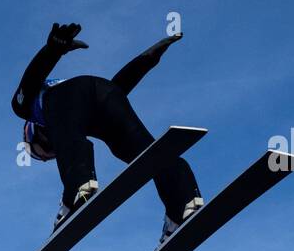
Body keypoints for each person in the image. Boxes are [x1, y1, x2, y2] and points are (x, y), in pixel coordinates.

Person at [12, 22, 204, 239]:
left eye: (42, 150)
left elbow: (28, 82)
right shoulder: (76, 118)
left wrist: (53, 50)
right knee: (148, 154)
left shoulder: (28, 107)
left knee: (62, 129)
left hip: (69, 96)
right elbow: (116, 89)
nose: (51, 153)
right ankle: (182, 204)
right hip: (106, 97)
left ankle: (78, 187)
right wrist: (148, 59)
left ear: (34, 132)